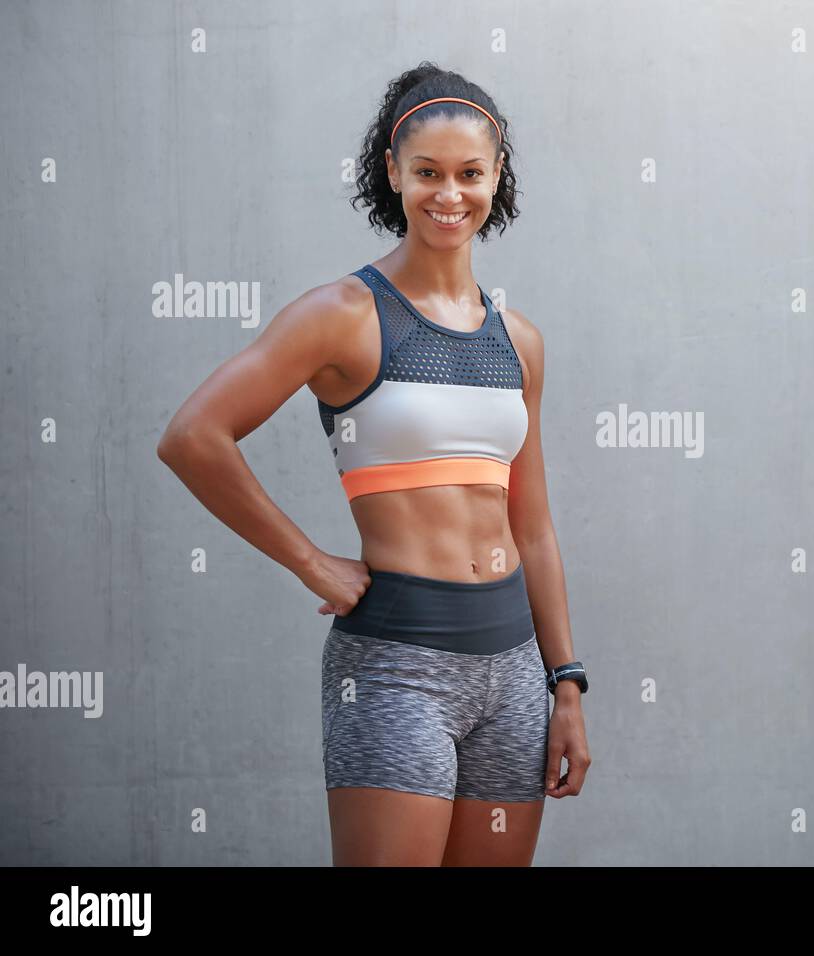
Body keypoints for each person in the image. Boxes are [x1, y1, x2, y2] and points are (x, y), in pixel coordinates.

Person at [156, 61, 591, 866]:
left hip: (513, 672)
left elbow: (533, 528)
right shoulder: (343, 316)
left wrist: (566, 682)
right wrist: (310, 563)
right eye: (427, 173)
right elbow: (193, 436)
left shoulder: (517, 340)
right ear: (392, 174)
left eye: (470, 173)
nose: (448, 194)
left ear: (498, 178)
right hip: (396, 669)